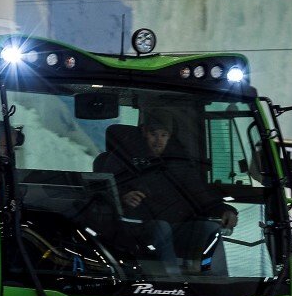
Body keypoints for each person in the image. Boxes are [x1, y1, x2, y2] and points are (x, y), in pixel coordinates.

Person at [94, 109, 237, 274]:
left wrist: (224, 210)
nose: (158, 141)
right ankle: (172, 281)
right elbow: (101, 192)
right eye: (154, 134)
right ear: (144, 131)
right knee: (161, 228)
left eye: (164, 135)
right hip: (134, 229)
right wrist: (121, 197)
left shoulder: (178, 162)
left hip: (174, 228)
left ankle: (214, 282)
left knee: (209, 228)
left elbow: (199, 194)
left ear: (170, 136)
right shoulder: (122, 158)